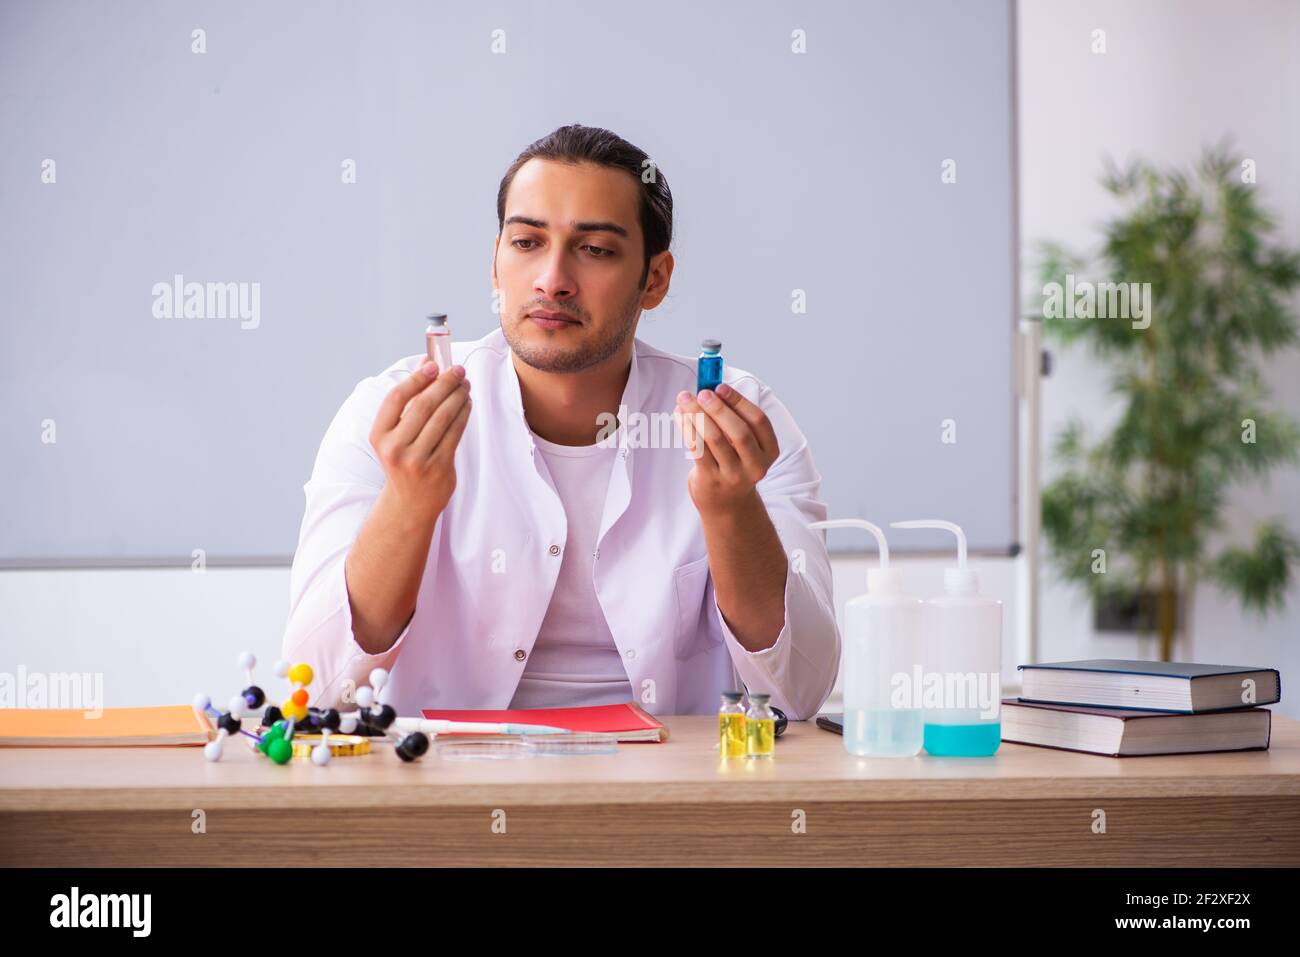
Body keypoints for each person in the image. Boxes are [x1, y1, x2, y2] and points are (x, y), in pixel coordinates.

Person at [283, 124, 840, 719]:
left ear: (654, 279)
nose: (553, 279)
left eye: (595, 249)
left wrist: (732, 511)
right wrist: (410, 501)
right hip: (451, 793)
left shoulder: (742, 424)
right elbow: (319, 689)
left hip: (671, 793)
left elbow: (798, 692)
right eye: (526, 243)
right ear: (495, 265)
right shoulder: (387, 415)